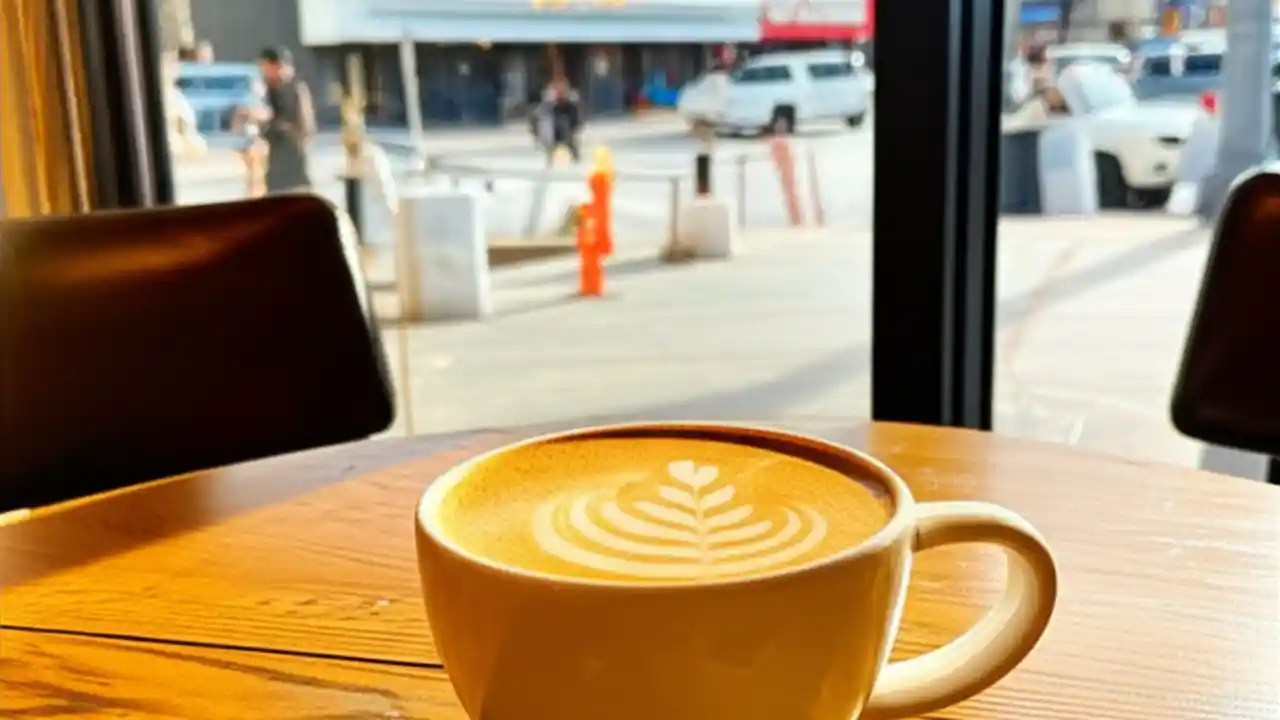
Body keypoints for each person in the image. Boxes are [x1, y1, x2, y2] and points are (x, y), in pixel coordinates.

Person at [254, 46, 315, 193]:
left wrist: (270, 122)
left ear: (277, 65)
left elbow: (305, 128)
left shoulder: (294, 89)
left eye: (265, 66)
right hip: (275, 167)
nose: (263, 71)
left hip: (291, 166)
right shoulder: (268, 89)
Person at [544, 79, 582, 166]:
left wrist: (576, 126)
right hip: (555, 128)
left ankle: (575, 156)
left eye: (561, 91)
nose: (558, 94)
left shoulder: (570, 105)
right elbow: (545, 117)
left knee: (570, 141)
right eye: (557, 92)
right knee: (553, 142)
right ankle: (550, 158)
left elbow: (575, 117)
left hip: (566, 128)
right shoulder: (551, 105)